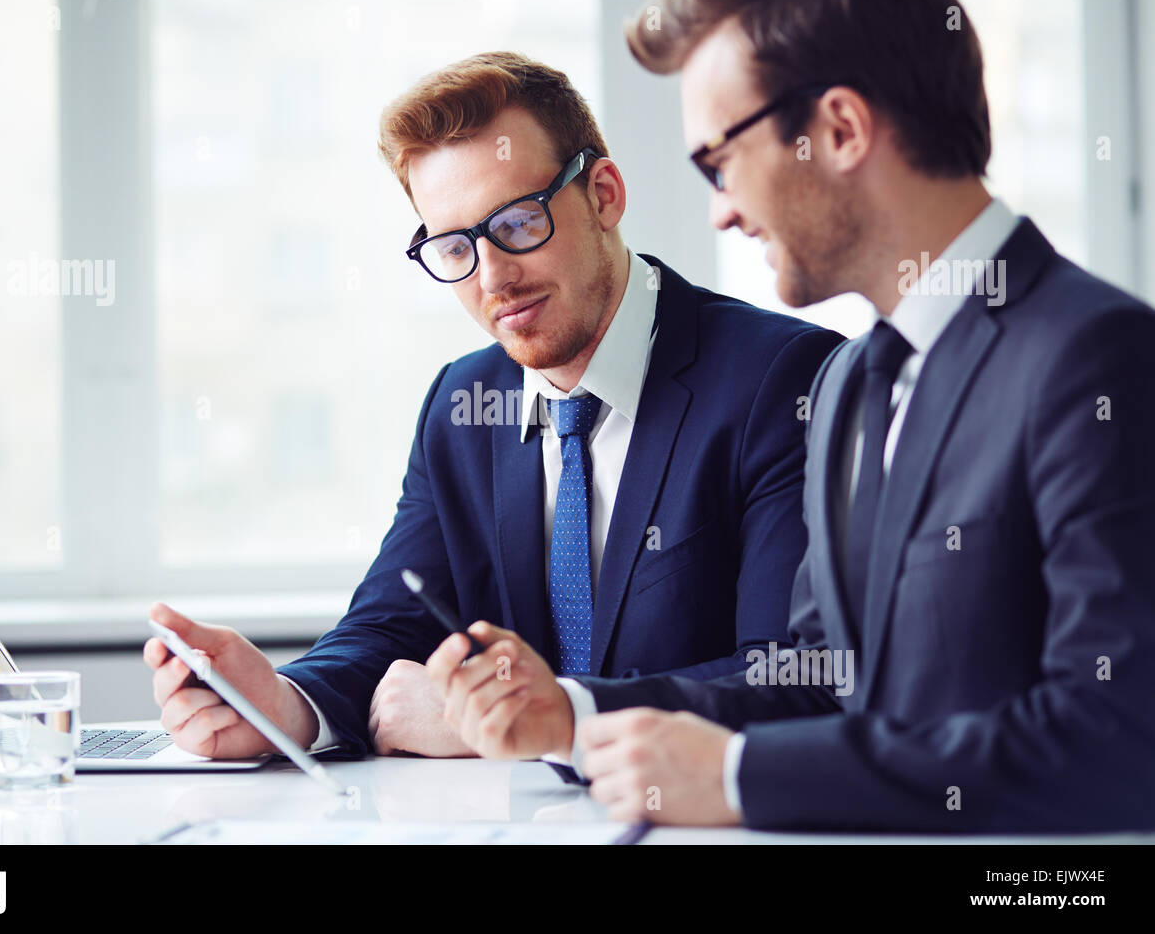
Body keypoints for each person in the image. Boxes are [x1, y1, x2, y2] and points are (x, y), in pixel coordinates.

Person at [428, 0, 1155, 832]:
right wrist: (576, 720)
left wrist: (739, 778)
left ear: (839, 131)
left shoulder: (1098, 358)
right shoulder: (852, 387)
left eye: (719, 163)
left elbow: (1117, 739)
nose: (722, 211)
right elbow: (818, 678)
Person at [144, 52, 842, 761]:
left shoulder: (782, 381)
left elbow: (794, 677)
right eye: (454, 246)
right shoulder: (462, 406)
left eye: (516, 224)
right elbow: (389, 627)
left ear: (603, 194)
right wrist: (285, 707)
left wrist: (545, 722)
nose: (493, 278)